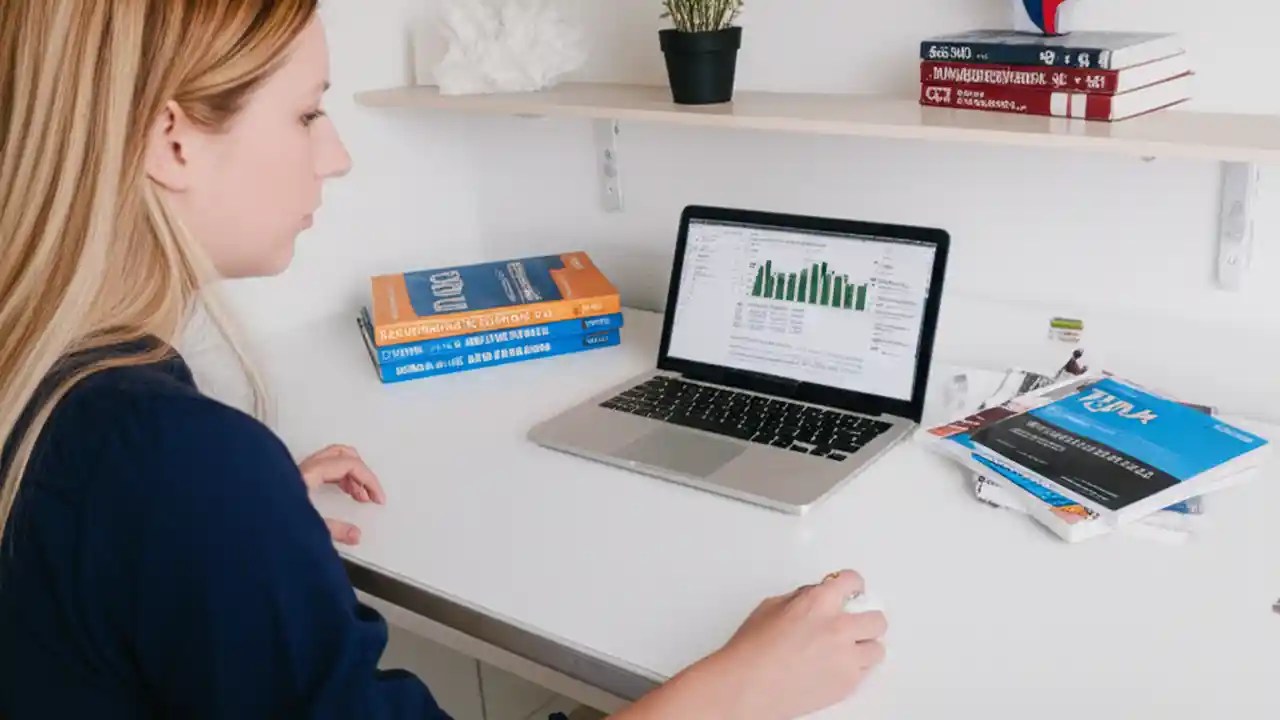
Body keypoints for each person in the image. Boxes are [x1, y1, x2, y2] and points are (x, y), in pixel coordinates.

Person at [0, 2, 888, 718]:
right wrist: (738, 692)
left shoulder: (69, 397)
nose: (335, 155)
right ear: (172, 141)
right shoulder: (177, 466)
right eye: (307, 112)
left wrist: (242, 525)